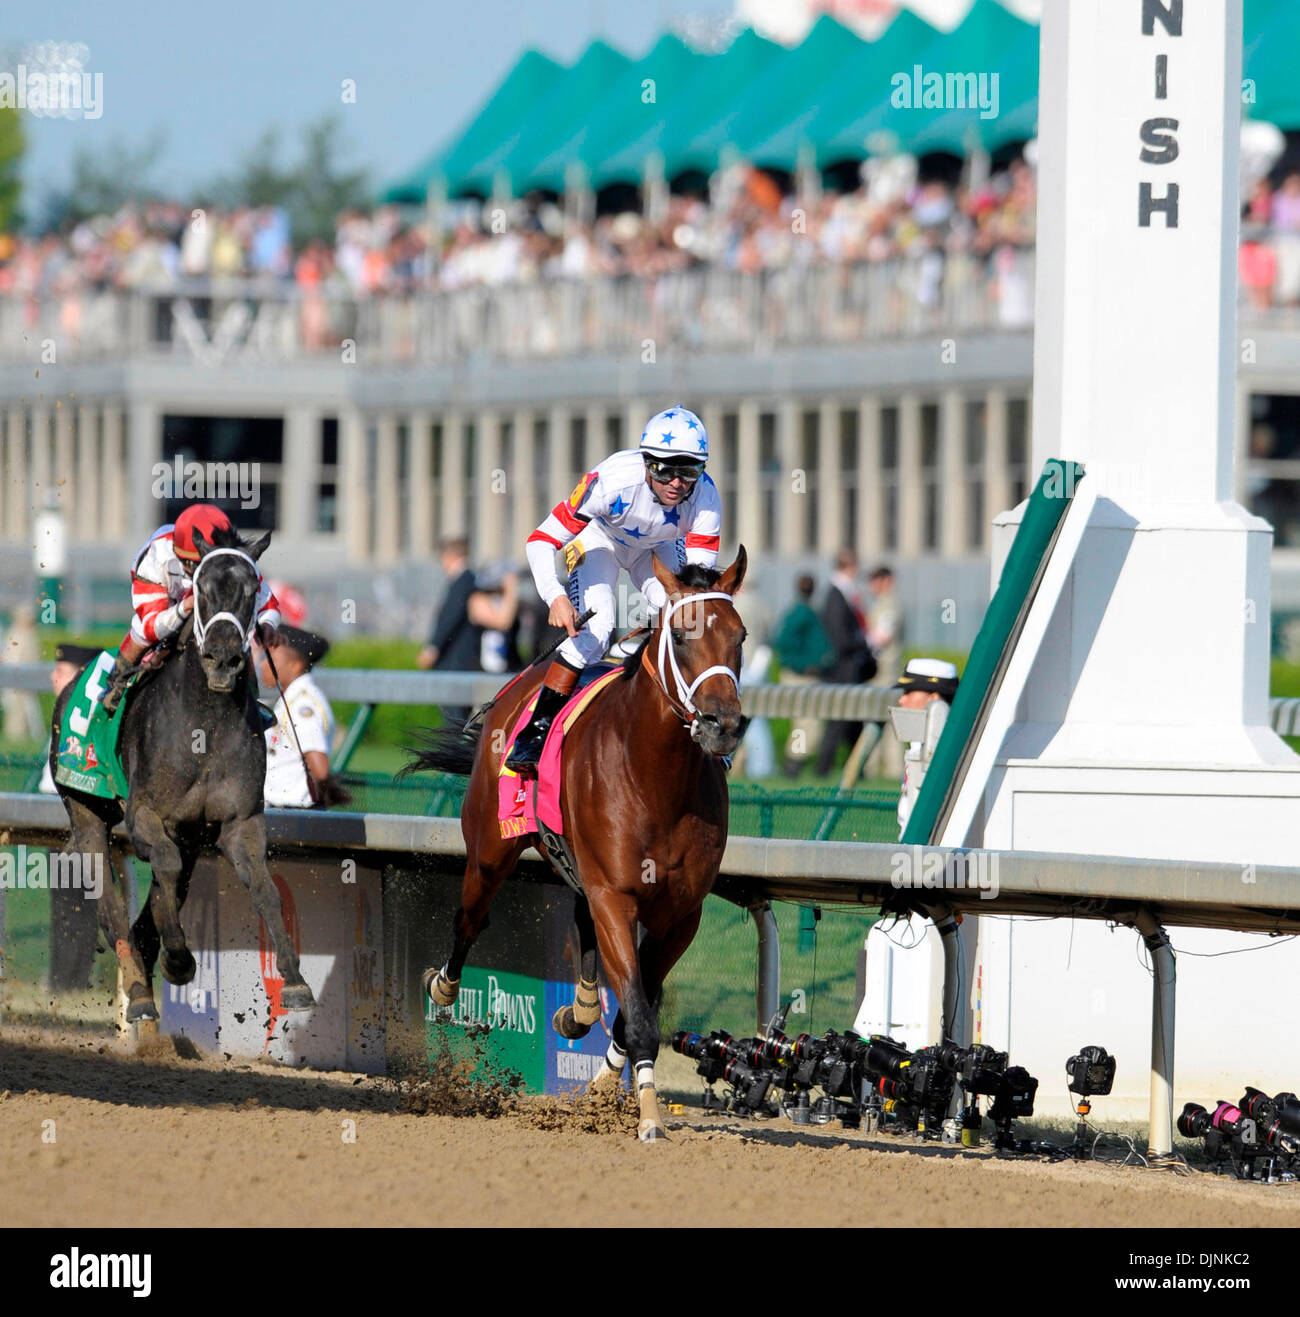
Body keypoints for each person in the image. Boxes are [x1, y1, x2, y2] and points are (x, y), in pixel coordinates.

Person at [508, 404, 723, 774]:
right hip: (599, 540)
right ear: (645, 463)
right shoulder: (611, 480)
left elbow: (697, 586)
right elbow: (540, 540)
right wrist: (555, 596)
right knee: (598, 628)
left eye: (689, 471)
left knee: (691, 624)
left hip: (655, 547)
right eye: (665, 469)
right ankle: (538, 729)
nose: (677, 483)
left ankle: (702, 721)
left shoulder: (706, 496)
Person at [101, 504, 280, 714]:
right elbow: (151, 626)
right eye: (190, 564)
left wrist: (268, 625)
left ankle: (253, 705)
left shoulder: (235, 559)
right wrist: (186, 606)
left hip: (212, 604)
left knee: (238, 639)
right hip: (166, 600)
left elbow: (270, 605)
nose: (194, 571)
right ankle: (116, 683)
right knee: (141, 633)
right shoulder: (156, 557)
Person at [45, 642, 104, 992]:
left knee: (77, 911)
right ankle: (61, 983)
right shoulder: (63, 716)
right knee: (64, 910)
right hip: (57, 827)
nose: (54, 678)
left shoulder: (82, 723)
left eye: (63, 672)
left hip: (80, 828)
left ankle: (72, 985)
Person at [259, 626, 346, 808]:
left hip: (294, 814)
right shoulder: (291, 699)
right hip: (285, 812)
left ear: (295, 665)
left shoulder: (302, 706)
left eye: (271, 658)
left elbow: (320, 770)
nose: (263, 665)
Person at [815, 547, 877, 776]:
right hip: (843, 669)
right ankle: (824, 768)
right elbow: (840, 637)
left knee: (852, 723)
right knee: (839, 722)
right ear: (851, 566)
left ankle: (856, 770)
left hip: (848, 668)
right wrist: (866, 642)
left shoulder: (841, 593)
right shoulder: (836, 595)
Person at [771, 574, 833, 777]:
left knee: (806, 724)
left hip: (802, 676)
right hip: (800, 676)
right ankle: (793, 764)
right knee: (807, 724)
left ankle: (794, 763)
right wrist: (804, 665)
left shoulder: (801, 611)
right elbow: (783, 642)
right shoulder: (802, 613)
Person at [417, 537, 481, 729]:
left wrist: (433, 647)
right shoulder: (467, 579)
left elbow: (451, 617)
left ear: (449, 556)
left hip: (457, 661)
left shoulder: (463, 580)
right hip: (460, 660)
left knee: (455, 719)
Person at [893, 657, 960, 834]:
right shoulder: (918, 743)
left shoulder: (948, 748)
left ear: (933, 698)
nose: (902, 700)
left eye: (909, 692)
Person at [866, 565, 905, 777]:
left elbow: (883, 636)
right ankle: (873, 765)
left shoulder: (889, 605)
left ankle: (892, 767)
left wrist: (860, 641)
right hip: (881, 671)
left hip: (886, 671)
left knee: (887, 719)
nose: (872, 584)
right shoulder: (881, 604)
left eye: (876, 579)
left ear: (887, 580)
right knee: (879, 717)